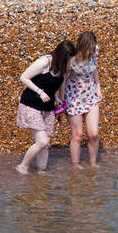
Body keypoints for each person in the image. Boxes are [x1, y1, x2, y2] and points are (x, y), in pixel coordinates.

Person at [15, 40, 75, 173]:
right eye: (70, 59)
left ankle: (41, 172)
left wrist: (58, 98)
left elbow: (54, 85)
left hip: (47, 108)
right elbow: (24, 77)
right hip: (30, 104)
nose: (71, 63)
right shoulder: (45, 62)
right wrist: (40, 92)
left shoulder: (63, 67)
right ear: (62, 56)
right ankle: (22, 166)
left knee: (46, 144)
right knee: (42, 141)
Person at [64, 31, 102, 168]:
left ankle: (92, 162)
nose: (92, 50)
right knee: (78, 135)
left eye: (93, 47)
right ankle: (75, 164)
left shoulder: (95, 52)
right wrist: (61, 99)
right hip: (73, 97)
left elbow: (95, 69)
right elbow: (64, 79)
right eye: (89, 48)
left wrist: (98, 88)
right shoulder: (71, 58)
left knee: (93, 134)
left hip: (90, 96)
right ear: (82, 46)